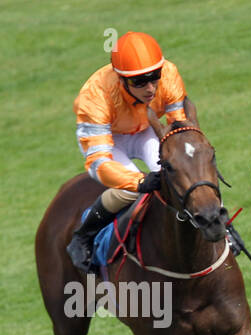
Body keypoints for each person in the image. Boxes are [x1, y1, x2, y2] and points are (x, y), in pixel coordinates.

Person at [67, 32, 196, 273]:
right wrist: (139, 181)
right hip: (108, 140)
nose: (149, 88)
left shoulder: (169, 74)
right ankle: (83, 236)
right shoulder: (95, 95)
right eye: (139, 82)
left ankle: (221, 228)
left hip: (143, 129)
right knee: (132, 192)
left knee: (179, 178)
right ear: (121, 80)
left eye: (154, 77)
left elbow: (180, 128)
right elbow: (100, 163)